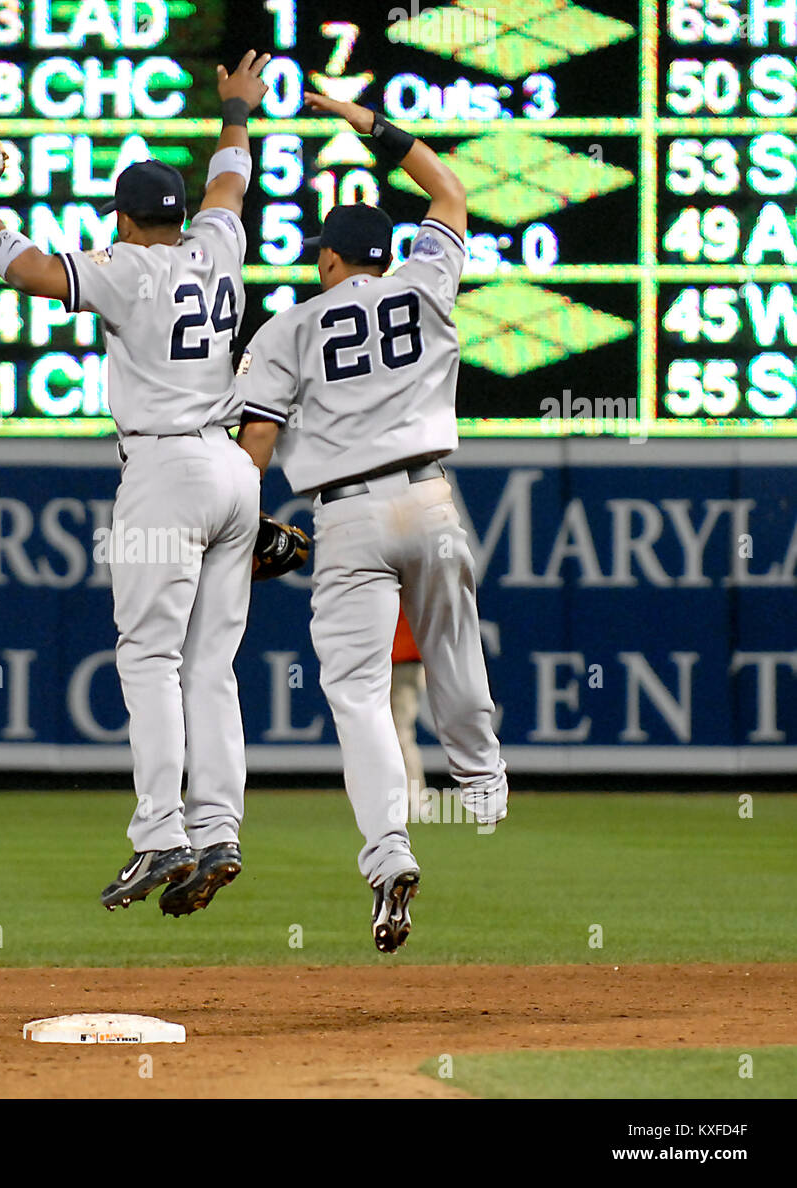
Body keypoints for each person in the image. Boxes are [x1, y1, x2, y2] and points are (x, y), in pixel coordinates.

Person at [0, 52, 271, 916]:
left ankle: (161, 835)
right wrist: (236, 109)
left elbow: (30, 271)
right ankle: (220, 829)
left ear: (122, 219)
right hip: (236, 469)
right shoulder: (218, 246)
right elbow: (231, 180)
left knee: (150, 657)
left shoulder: (129, 267)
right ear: (182, 215)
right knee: (213, 666)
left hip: (166, 467)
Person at [236, 92, 509, 954]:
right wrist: (370, 125)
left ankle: (388, 849)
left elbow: (257, 439)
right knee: (453, 649)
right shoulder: (426, 280)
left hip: (346, 512)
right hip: (428, 496)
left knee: (357, 694)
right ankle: (483, 779)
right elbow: (449, 192)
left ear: (326, 261)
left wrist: (243, 522)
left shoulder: (290, 326)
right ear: (386, 256)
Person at [391, 607, 427, 811]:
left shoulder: (407, 584)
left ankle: (417, 800)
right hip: (384, 663)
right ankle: (390, 797)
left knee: (400, 734)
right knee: (390, 735)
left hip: (405, 664)